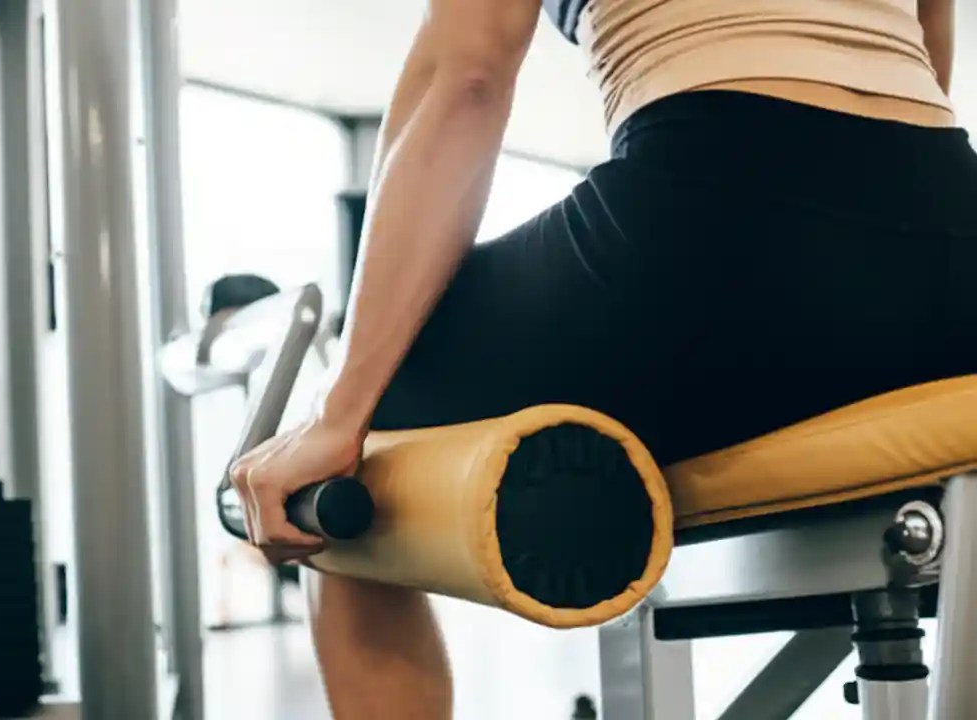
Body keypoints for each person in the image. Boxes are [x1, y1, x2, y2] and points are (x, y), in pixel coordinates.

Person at [230, 0, 974, 717]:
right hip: (953, 237)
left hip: (719, 216)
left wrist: (339, 415)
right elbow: (927, 33)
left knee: (357, 451)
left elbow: (464, 77)